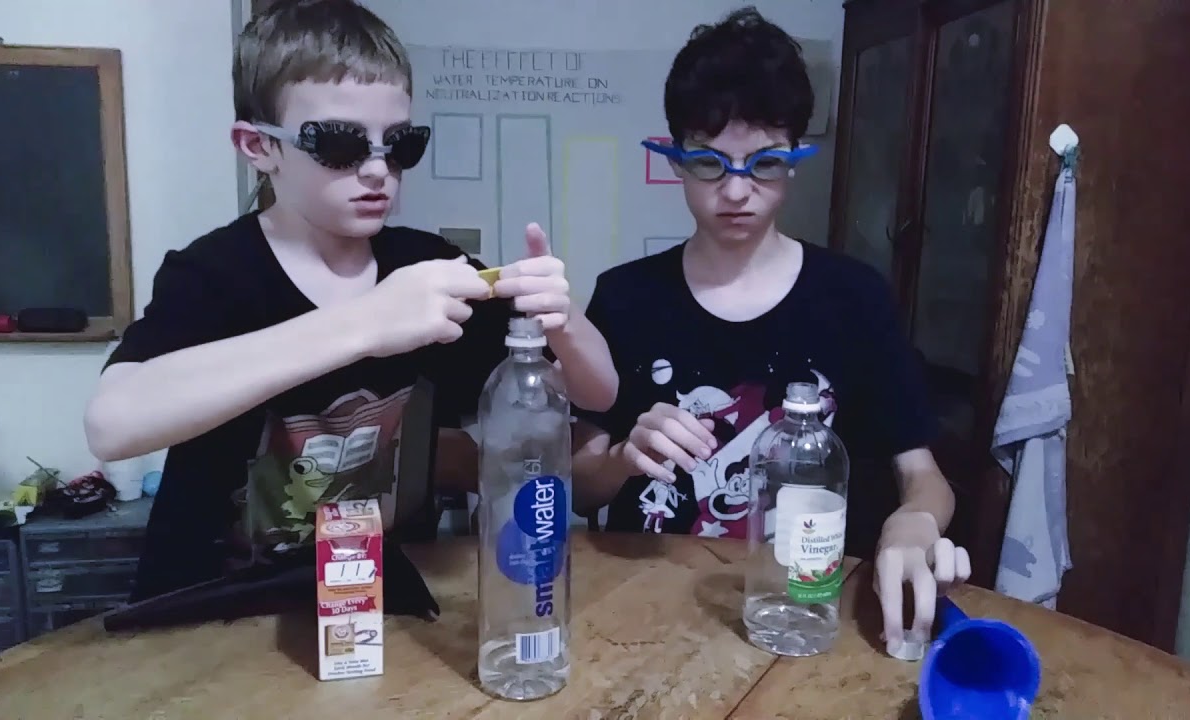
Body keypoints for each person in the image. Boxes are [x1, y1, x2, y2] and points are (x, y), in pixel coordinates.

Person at [83, 0, 617, 602]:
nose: (377, 170)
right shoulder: (213, 273)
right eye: (338, 143)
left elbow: (598, 393)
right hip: (213, 605)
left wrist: (562, 316)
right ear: (258, 146)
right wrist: (365, 322)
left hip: (366, 601)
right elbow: (112, 423)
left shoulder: (423, 268)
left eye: (399, 144)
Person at [571, 7, 969, 657]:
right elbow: (579, 479)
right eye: (708, 163)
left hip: (798, 613)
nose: (735, 191)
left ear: (795, 159)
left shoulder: (854, 298)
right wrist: (620, 459)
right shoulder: (625, 297)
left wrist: (913, 524)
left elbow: (923, 473)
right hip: (641, 609)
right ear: (675, 159)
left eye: (764, 164)